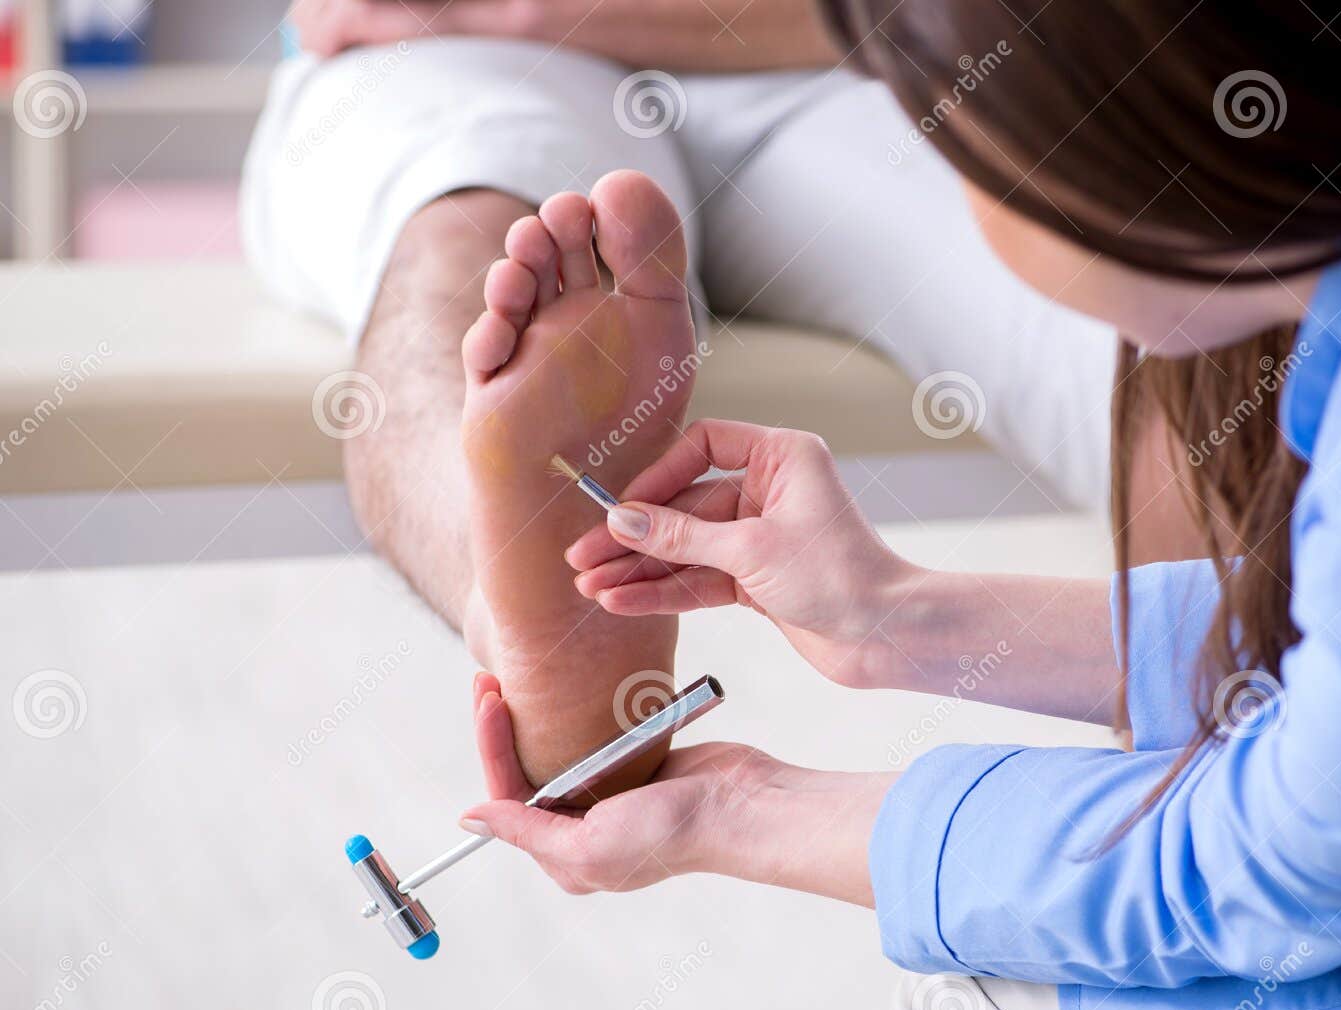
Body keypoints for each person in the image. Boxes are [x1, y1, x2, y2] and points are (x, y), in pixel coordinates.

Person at [455, 1, 1341, 1010]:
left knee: (997, 995)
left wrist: (730, 811)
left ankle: (532, 644)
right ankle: (524, 616)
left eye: (950, 147)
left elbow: (1236, 873)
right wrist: (892, 618)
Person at [241, 0, 1118, 786]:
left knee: (1127, 322)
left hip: (855, 57)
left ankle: (1201, 763)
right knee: (465, 243)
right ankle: (512, 611)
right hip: (458, 54)